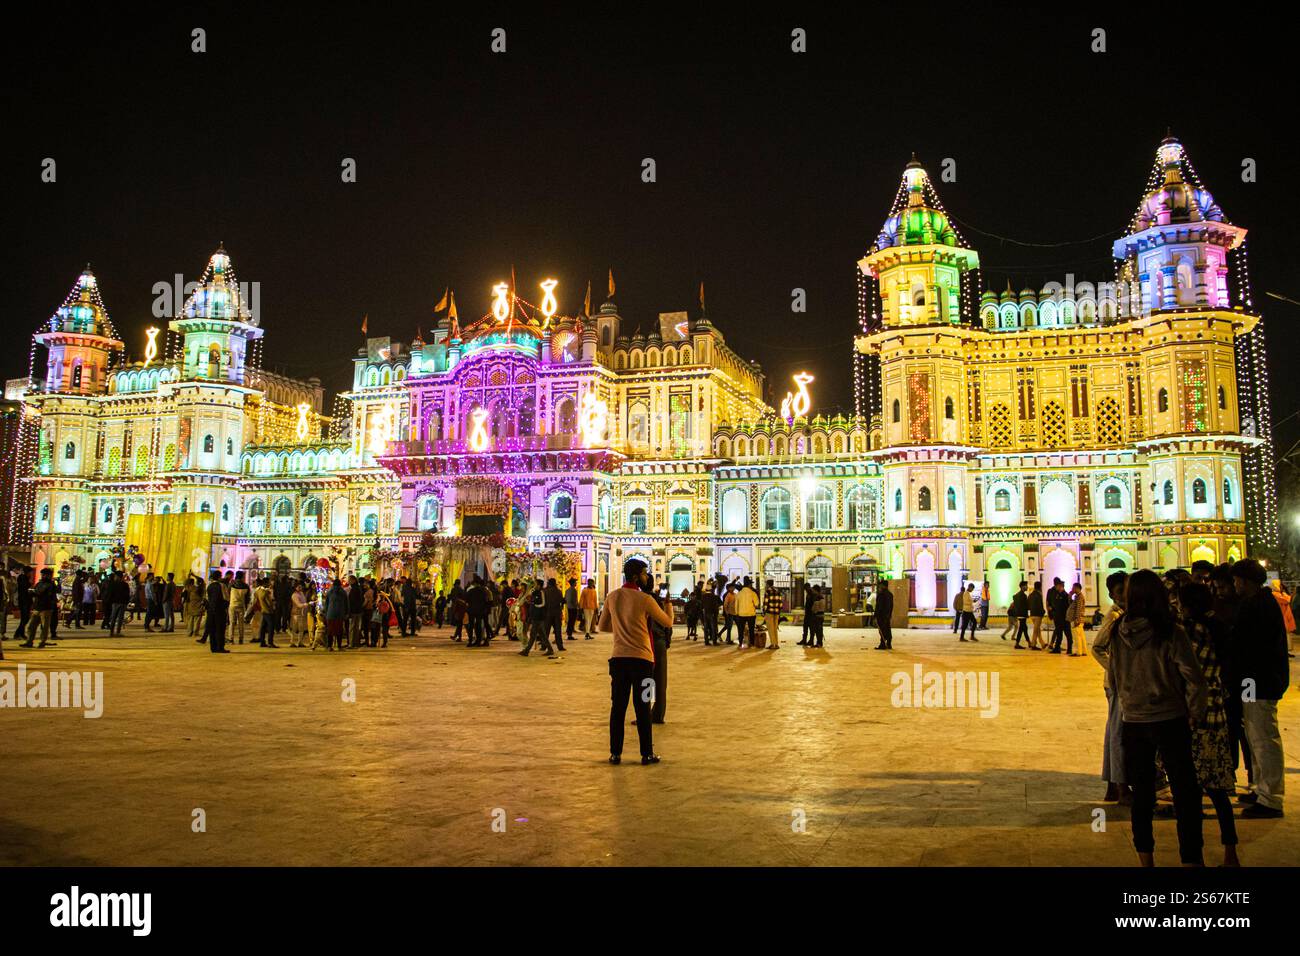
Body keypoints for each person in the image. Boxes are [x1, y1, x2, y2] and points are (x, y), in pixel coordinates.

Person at [1107, 569, 1206, 867]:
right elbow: (1195, 678)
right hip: (1170, 718)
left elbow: (1113, 679)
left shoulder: (1117, 631)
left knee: (1142, 794)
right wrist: (1195, 712)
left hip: (1134, 721)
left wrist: (1129, 701)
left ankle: (1145, 859)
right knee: (1185, 792)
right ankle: (1190, 859)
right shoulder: (1170, 631)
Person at [1179, 582, 1241, 865]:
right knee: (1218, 792)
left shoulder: (1194, 632)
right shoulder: (1220, 628)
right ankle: (1231, 854)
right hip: (1217, 717)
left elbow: (1191, 675)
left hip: (1195, 720)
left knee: (1189, 793)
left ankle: (1195, 857)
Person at [598, 559, 672, 765]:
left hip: (619, 661)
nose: (647, 577)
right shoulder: (645, 599)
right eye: (644, 573)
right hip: (644, 663)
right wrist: (667, 603)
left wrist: (624, 630)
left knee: (618, 708)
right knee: (643, 707)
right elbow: (668, 622)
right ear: (635, 576)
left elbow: (602, 627)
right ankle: (646, 753)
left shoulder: (612, 597)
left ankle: (615, 753)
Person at [1231, 559, 1288, 818]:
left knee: (1263, 736)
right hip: (1253, 680)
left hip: (1259, 681)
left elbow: (1250, 647)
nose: (1234, 585)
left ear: (1245, 581)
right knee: (1255, 734)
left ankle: (1271, 798)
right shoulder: (1258, 603)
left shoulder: (1260, 606)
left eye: (1236, 580)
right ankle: (1260, 787)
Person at [1090, 571, 1131, 805]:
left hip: (1119, 684)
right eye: (1120, 592)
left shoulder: (1125, 613)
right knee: (1119, 735)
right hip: (1118, 685)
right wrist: (1117, 670)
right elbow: (1098, 648)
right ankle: (1122, 788)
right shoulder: (1115, 616)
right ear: (1111, 594)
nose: (1125, 595)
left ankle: (1113, 786)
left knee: (1114, 733)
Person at [21, 567, 58, 648]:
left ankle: (42, 642)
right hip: (37, 607)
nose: (42, 576)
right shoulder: (39, 583)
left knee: (44, 627)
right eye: (42, 574)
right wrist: (33, 592)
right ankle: (29, 641)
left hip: (46, 608)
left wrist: (34, 592)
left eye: (44, 575)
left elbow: (41, 593)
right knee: (31, 626)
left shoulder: (51, 585)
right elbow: (33, 591)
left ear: (48, 575)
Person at [204, 570, 230, 653]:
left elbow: (207, 599)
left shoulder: (209, 586)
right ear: (219, 577)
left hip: (211, 610)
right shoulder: (222, 586)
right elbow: (226, 598)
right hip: (220, 610)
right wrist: (224, 608)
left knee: (212, 629)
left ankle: (213, 647)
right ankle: (220, 647)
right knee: (220, 629)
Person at [1047, 578, 1071, 654]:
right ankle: (1057, 648)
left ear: (1061, 586)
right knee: (1058, 632)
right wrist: (1051, 611)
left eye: (1058, 586)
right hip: (1057, 617)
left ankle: (1069, 648)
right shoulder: (1056, 594)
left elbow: (1068, 606)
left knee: (1067, 633)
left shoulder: (1065, 595)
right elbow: (1052, 604)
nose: (1057, 588)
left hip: (1065, 617)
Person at [734, 577, 759, 648]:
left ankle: (740, 642)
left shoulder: (739, 593)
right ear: (749, 585)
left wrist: (736, 613)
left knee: (741, 629)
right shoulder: (753, 593)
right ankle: (752, 643)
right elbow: (756, 604)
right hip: (751, 614)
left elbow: (736, 604)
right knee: (751, 629)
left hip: (741, 614)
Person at [542, 577, 565, 651]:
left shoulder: (545, 591)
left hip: (548, 613)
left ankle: (544, 645)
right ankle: (560, 646)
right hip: (557, 613)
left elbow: (543, 602)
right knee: (558, 631)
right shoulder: (559, 591)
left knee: (546, 631)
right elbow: (562, 601)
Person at [1005, 580, 1030, 647]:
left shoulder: (1016, 595)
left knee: (1024, 628)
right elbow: (1026, 606)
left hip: (1018, 614)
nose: (1027, 587)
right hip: (1023, 615)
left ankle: (1029, 642)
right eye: (1026, 586)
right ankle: (1017, 644)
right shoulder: (1023, 596)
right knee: (1022, 629)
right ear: (1022, 587)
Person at [762, 580, 783, 650]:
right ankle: (776, 644)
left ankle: (772, 644)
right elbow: (780, 603)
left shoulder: (767, 591)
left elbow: (765, 603)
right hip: (776, 612)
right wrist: (779, 610)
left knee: (770, 629)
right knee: (775, 628)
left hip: (769, 612)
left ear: (768, 584)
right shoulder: (778, 591)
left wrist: (763, 611)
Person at [874, 579, 894, 649]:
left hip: (881, 615)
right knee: (887, 629)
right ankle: (889, 643)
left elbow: (879, 606)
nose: (879, 586)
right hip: (887, 615)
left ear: (883, 586)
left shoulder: (881, 595)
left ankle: (882, 644)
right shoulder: (890, 595)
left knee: (882, 630)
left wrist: (875, 615)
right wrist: (889, 614)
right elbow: (891, 606)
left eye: (880, 585)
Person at [1068, 581, 1087, 656]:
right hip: (1078, 619)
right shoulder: (1077, 597)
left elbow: (1078, 609)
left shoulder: (1080, 597)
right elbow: (1071, 605)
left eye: (1073, 587)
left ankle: (1078, 651)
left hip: (1076, 620)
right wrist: (1070, 596)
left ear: (1077, 588)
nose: (1072, 589)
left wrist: (1076, 619)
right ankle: (1083, 651)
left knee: (1076, 636)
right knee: (1081, 636)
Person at [186, 575, 206, 641]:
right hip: (199, 605)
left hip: (191, 605)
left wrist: (190, 575)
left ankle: (189, 632)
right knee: (197, 620)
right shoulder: (201, 588)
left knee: (191, 619)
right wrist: (194, 575)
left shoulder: (191, 588)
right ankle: (195, 632)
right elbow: (202, 582)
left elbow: (186, 583)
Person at [289, 582, 309, 647]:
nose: (300, 588)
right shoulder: (294, 595)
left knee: (301, 628)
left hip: (302, 613)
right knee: (294, 628)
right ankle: (292, 642)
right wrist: (306, 605)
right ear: (295, 588)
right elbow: (298, 604)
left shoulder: (301, 593)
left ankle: (300, 642)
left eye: (301, 587)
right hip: (296, 613)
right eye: (298, 587)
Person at [1027, 581, 1046, 650]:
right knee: (1036, 630)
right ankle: (1033, 644)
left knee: (1037, 629)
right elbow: (1040, 605)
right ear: (1040, 587)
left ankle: (1042, 643)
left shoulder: (1030, 595)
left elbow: (1028, 605)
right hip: (1038, 614)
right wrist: (1043, 612)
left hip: (1032, 614)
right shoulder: (1039, 595)